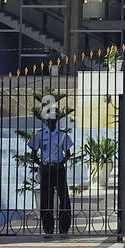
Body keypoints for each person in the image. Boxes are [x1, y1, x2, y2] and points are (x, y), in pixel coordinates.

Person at [29, 100, 73, 237]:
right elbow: (33, 153)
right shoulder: (40, 135)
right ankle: (48, 229)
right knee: (46, 200)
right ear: (46, 120)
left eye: (54, 119)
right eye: (50, 119)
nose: (52, 121)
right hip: (46, 170)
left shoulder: (62, 135)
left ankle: (64, 228)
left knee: (64, 199)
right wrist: (40, 165)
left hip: (59, 169)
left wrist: (62, 163)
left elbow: (68, 153)